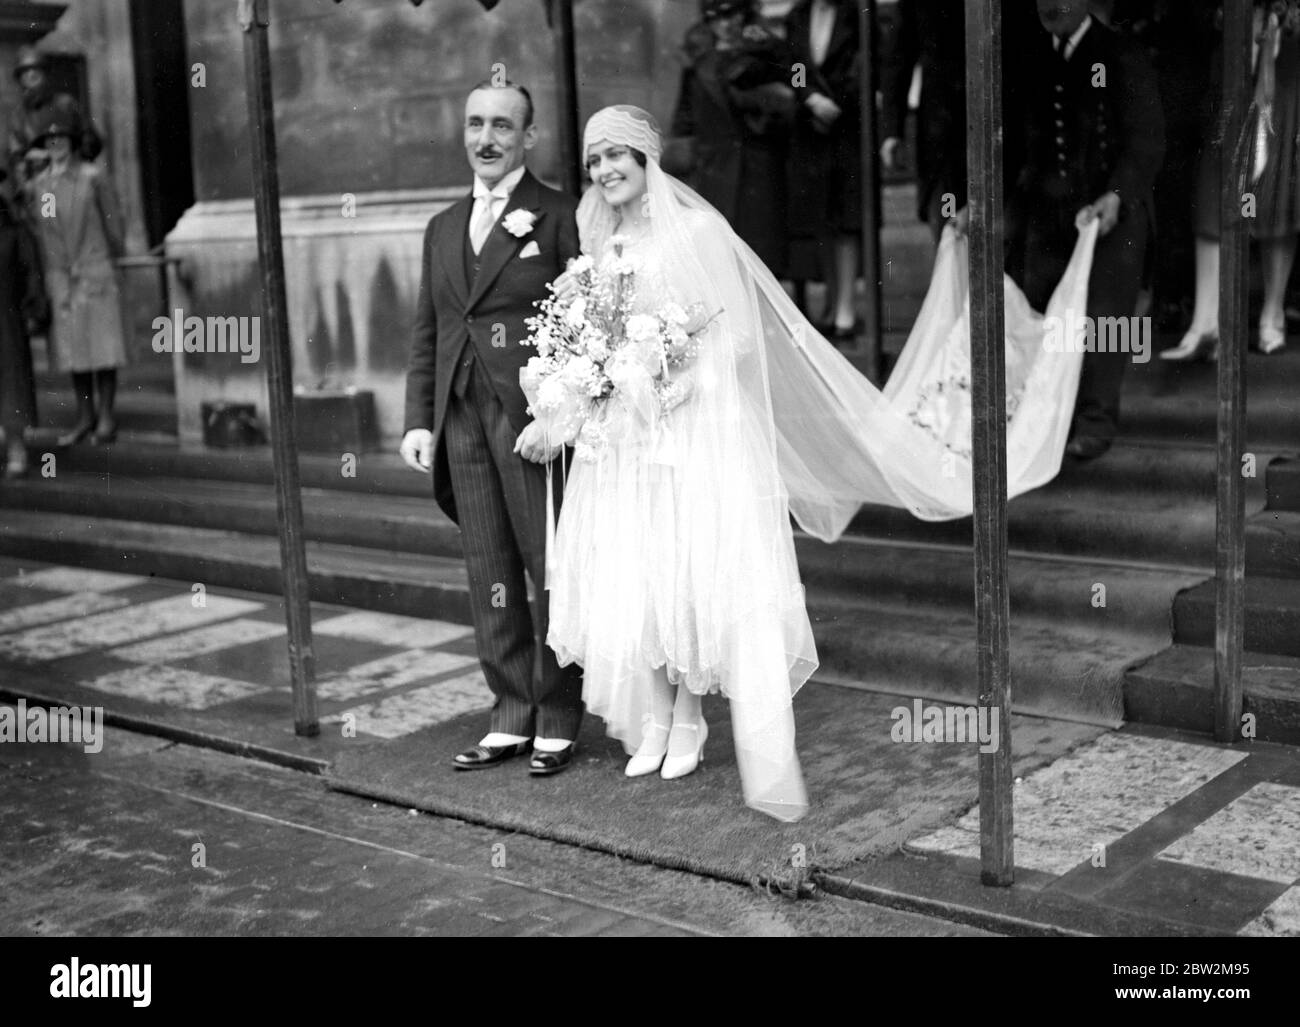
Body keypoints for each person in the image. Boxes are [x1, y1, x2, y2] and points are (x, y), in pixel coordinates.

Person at [534, 105, 1100, 821]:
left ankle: (689, 715)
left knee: (688, 565)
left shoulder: (700, 231)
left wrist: (665, 375)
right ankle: (655, 717)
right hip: (628, 439)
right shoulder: (601, 242)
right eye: (594, 160)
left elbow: (735, 337)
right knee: (641, 568)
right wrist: (596, 383)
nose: (606, 171)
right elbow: (590, 339)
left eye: (619, 156)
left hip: (692, 428)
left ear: (649, 161)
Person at [399, 80, 585, 776]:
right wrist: (420, 420)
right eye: (476, 124)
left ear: (528, 137)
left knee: (549, 566)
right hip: (460, 420)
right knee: (490, 570)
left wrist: (558, 412)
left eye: (503, 126)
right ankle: (510, 711)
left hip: (531, 422)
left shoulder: (559, 214)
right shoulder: (443, 226)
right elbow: (430, 330)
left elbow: (583, 326)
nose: (486, 138)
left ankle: (560, 713)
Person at [1003, 0, 1165, 461]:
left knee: (1105, 322)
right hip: (1048, 214)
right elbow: (1017, 139)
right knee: (1047, 317)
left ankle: (1096, 421)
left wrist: (1117, 195)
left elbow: (1146, 138)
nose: (1049, 7)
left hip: (1112, 216)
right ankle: (1057, 420)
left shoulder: (1119, 54)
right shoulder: (1031, 54)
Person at [1163, 2, 1298, 360]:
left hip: (1286, 68)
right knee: (1214, 192)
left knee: (1279, 192)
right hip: (1229, 70)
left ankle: (1273, 314)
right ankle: (1207, 323)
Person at [668, 0, 796, 278]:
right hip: (714, 166)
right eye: (716, 18)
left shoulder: (767, 49)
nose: (725, 25)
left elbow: (798, 82)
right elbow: (685, 117)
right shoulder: (698, 58)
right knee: (719, 255)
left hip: (760, 162)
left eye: (732, 15)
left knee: (762, 256)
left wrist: (779, 100)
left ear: (744, 15)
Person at [26, 111, 127, 447]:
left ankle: (107, 416)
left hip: (94, 269)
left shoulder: (91, 177)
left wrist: (114, 256)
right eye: (49, 141)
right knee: (74, 348)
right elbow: (51, 230)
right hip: (64, 277)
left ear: (73, 142)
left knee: (103, 345)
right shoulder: (45, 184)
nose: (56, 145)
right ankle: (85, 417)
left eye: (61, 139)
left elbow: (113, 224)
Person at [784, 0, 861, 339]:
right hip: (812, 127)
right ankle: (832, 301)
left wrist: (837, 105)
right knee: (823, 217)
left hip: (848, 128)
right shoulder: (798, 16)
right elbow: (796, 67)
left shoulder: (857, 14)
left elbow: (864, 69)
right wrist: (810, 98)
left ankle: (846, 304)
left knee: (846, 217)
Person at [6, 46, 102, 202]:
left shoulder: (66, 104)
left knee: (79, 221)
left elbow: (92, 141)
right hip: (42, 188)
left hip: (74, 182)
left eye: (36, 72)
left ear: (45, 75)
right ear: (21, 80)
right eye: (25, 74)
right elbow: (16, 158)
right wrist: (25, 187)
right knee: (49, 220)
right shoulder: (19, 116)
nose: (30, 76)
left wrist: (66, 157)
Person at [0, 184, 45, 477]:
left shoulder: (13, 234)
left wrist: (33, 310)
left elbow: (31, 273)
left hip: (5, 320)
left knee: (11, 383)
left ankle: (17, 449)